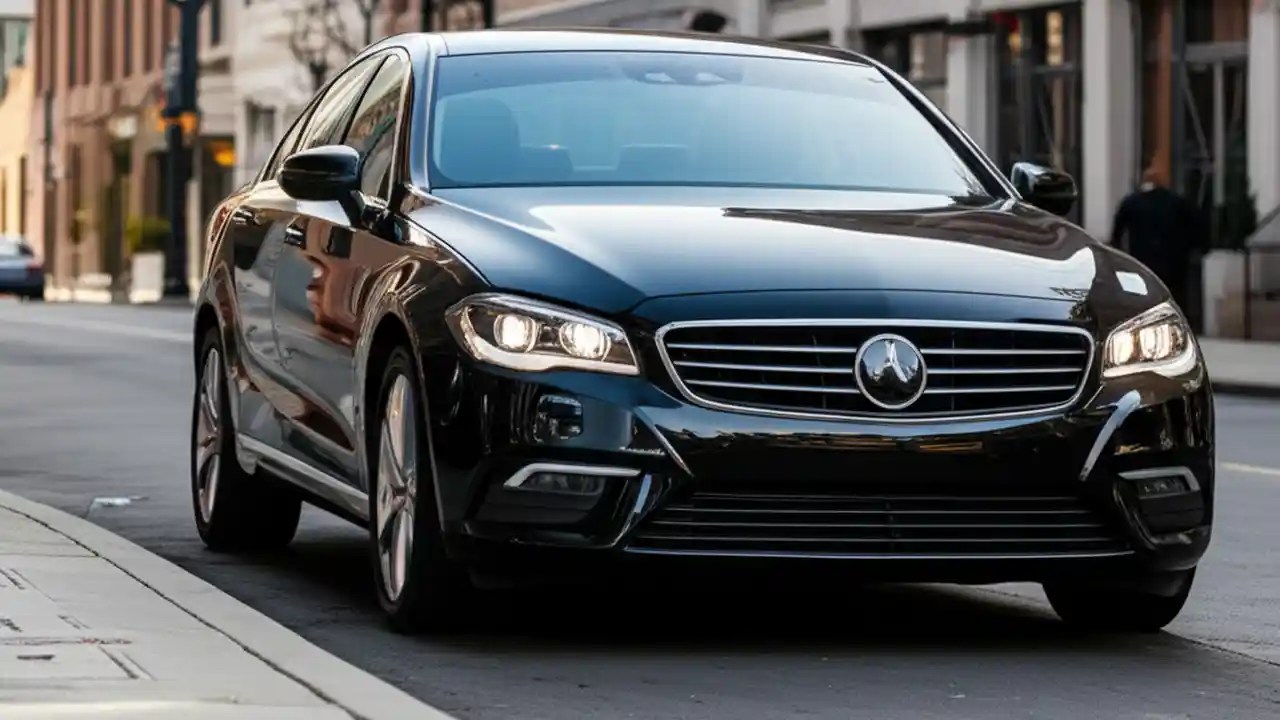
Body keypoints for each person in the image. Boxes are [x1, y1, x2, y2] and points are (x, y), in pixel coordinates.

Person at [1111, 166, 1206, 309]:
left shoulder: (1131, 202)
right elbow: (1195, 227)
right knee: (1173, 301)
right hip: (1173, 263)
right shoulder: (1176, 201)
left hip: (1142, 262)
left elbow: (1117, 233)